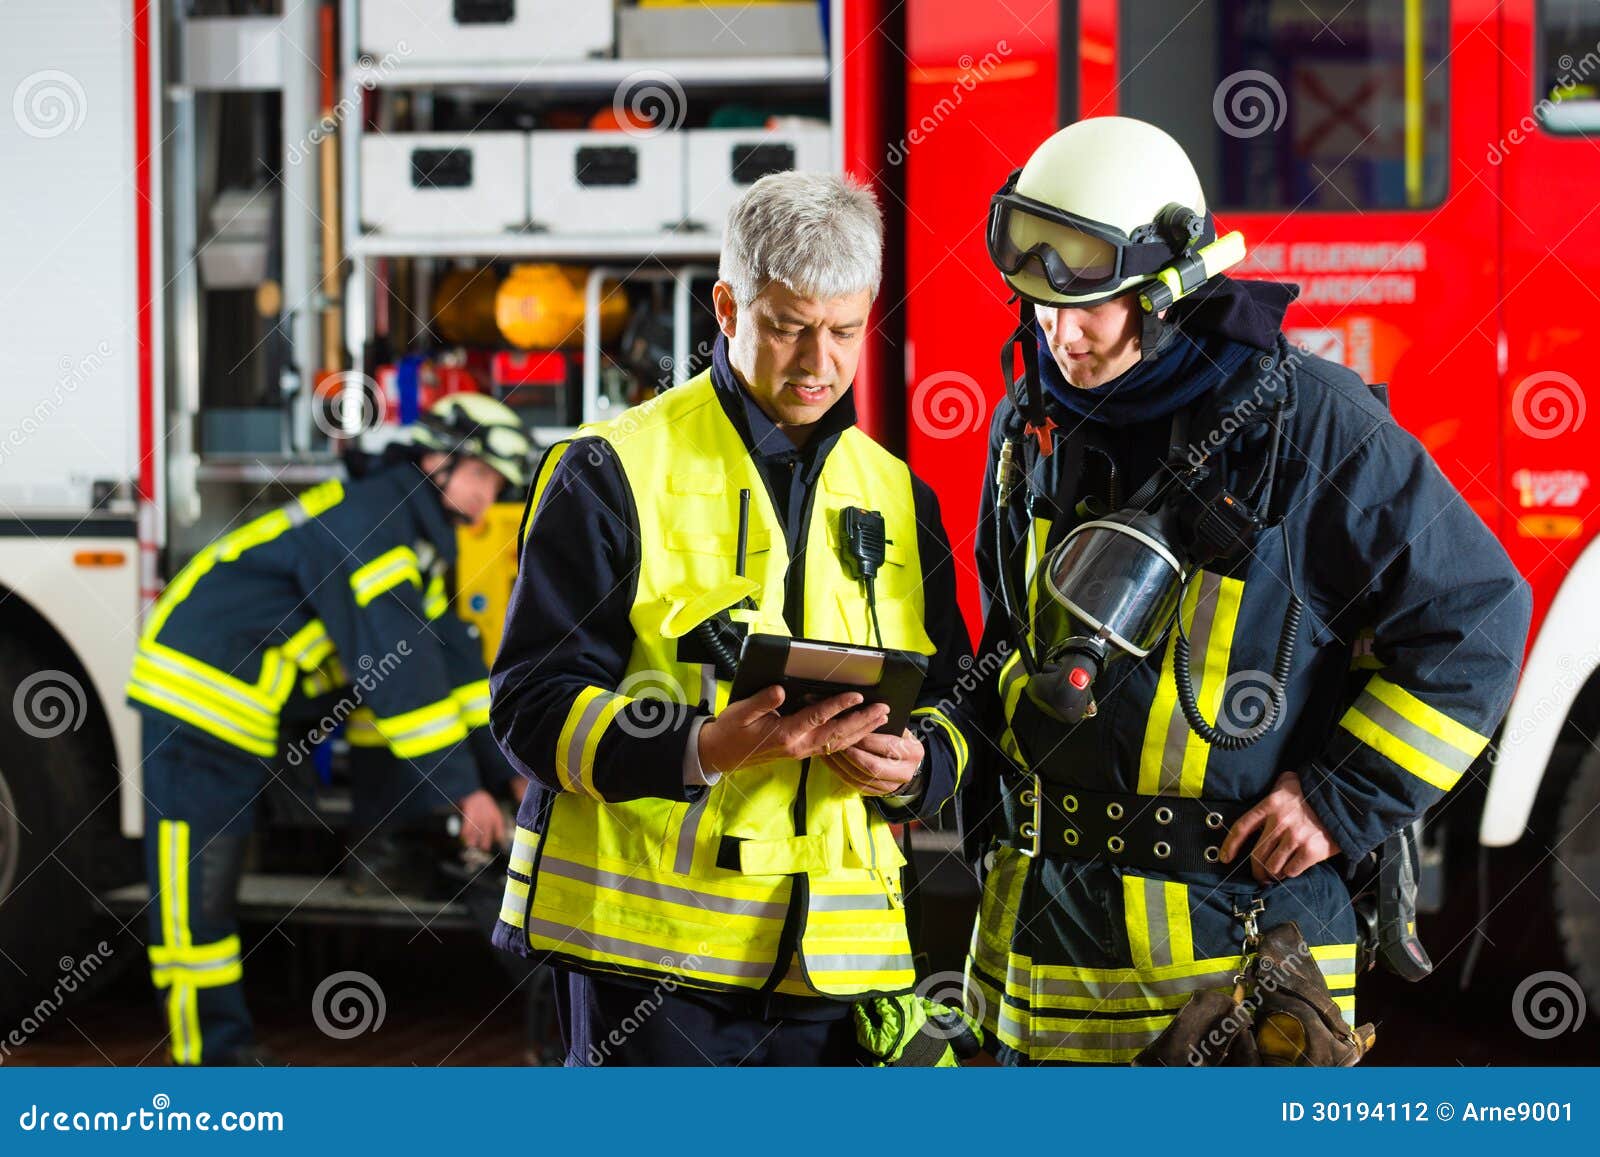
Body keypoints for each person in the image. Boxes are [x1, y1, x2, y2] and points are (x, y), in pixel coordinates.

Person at [962, 116, 1532, 1064]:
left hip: (1236, 973)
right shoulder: (1031, 424)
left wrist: (1340, 800)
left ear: (1169, 287)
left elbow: (1475, 616)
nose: (1061, 333)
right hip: (1043, 974)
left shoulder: (1308, 419)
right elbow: (1006, 644)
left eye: (1093, 304)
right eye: (1038, 305)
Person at [488, 170, 975, 1066]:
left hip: (839, 972)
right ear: (726, 305)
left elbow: (958, 704)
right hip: (650, 968)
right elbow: (530, 707)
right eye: (788, 326)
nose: (816, 362)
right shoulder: (608, 471)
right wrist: (705, 746)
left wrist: (915, 766)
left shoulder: (901, 496)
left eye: (842, 330)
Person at [126, 392, 532, 1065]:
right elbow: (403, 678)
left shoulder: (417, 530)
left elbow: (451, 660)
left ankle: (220, 1056)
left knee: (212, 898)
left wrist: (509, 767)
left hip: (240, 709)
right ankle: (208, 1071)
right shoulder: (384, 522)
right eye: (484, 476)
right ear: (438, 460)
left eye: (499, 483)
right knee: (197, 907)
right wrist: (466, 792)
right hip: (197, 706)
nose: (491, 497)